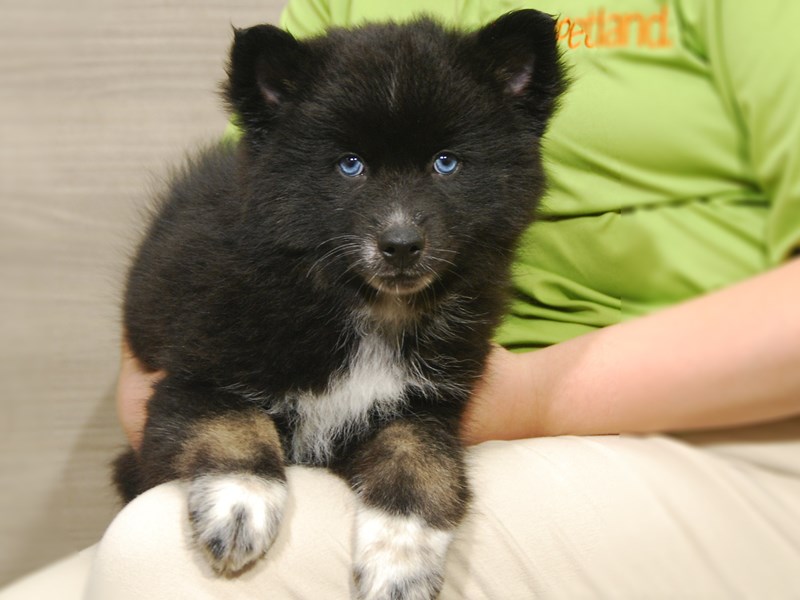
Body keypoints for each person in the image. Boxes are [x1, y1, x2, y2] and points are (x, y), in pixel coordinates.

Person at [7, 0, 799, 598]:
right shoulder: (334, 18)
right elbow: (231, 213)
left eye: (447, 165)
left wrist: (521, 399)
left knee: (161, 556)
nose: (399, 226)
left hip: (719, 429)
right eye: (354, 168)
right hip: (442, 422)